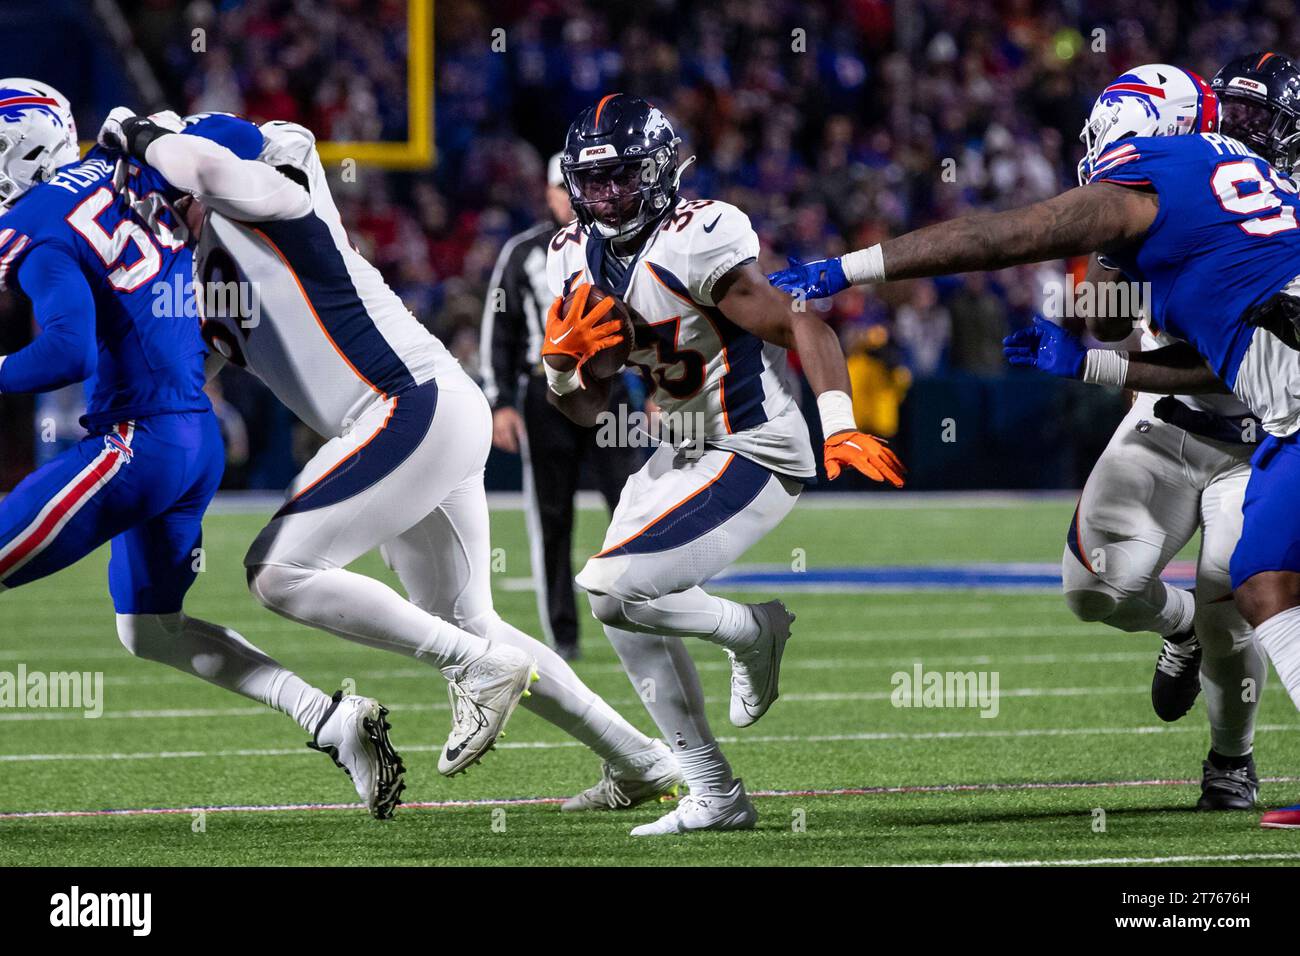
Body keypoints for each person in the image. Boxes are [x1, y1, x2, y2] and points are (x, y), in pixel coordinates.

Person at [769, 61, 1300, 829]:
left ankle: (1229, 761)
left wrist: (850, 270)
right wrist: (1108, 289)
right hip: (1172, 417)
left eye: (1261, 119)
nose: (1244, 132)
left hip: (1259, 435)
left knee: (1243, 587)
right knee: (1095, 589)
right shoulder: (1201, 186)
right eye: (1235, 114)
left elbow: (1008, 237)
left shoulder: (1195, 177)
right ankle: (1176, 625)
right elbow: (1119, 325)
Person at [96, 107, 680, 797]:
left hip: (409, 406)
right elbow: (179, 384)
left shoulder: (272, 191)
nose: (156, 206)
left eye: (164, 187)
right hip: (417, 420)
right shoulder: (196, 277)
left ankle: (472, 666)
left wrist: (138, 134)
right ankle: (640, 759)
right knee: (471, 622)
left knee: (279, 572)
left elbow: (214, 167)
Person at [0, 83, 402, 817]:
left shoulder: (34, 219)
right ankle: (328, 718)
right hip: (194, 436)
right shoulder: (133, 158)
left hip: (138, 440)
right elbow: (255, 140)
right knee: (149, 631)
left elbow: (65, 352)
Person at [543, 93, 905, 834]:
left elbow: (800, 319)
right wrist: (560, 374)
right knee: (617, 610)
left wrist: (838, 424)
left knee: (615, 586)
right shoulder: (569, 258)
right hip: (676, 451)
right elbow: (588, 409)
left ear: (659, 170)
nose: (606, 194)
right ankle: (715, 794)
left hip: (755, 446)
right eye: (594, 179)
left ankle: (751, 632)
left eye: (620, 175)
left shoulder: (697, 236)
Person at [480, 153, 638, 660]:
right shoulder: (524, 250)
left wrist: (655, 386)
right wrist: (500, 401)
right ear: (549, 191)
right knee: (551, 516)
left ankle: (641, 616)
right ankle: (564, 636)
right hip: (546, 393)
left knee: (632, 508)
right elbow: (497, 331)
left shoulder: (623, 242)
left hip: (610, 388)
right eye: (563, 186)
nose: (571, 196)